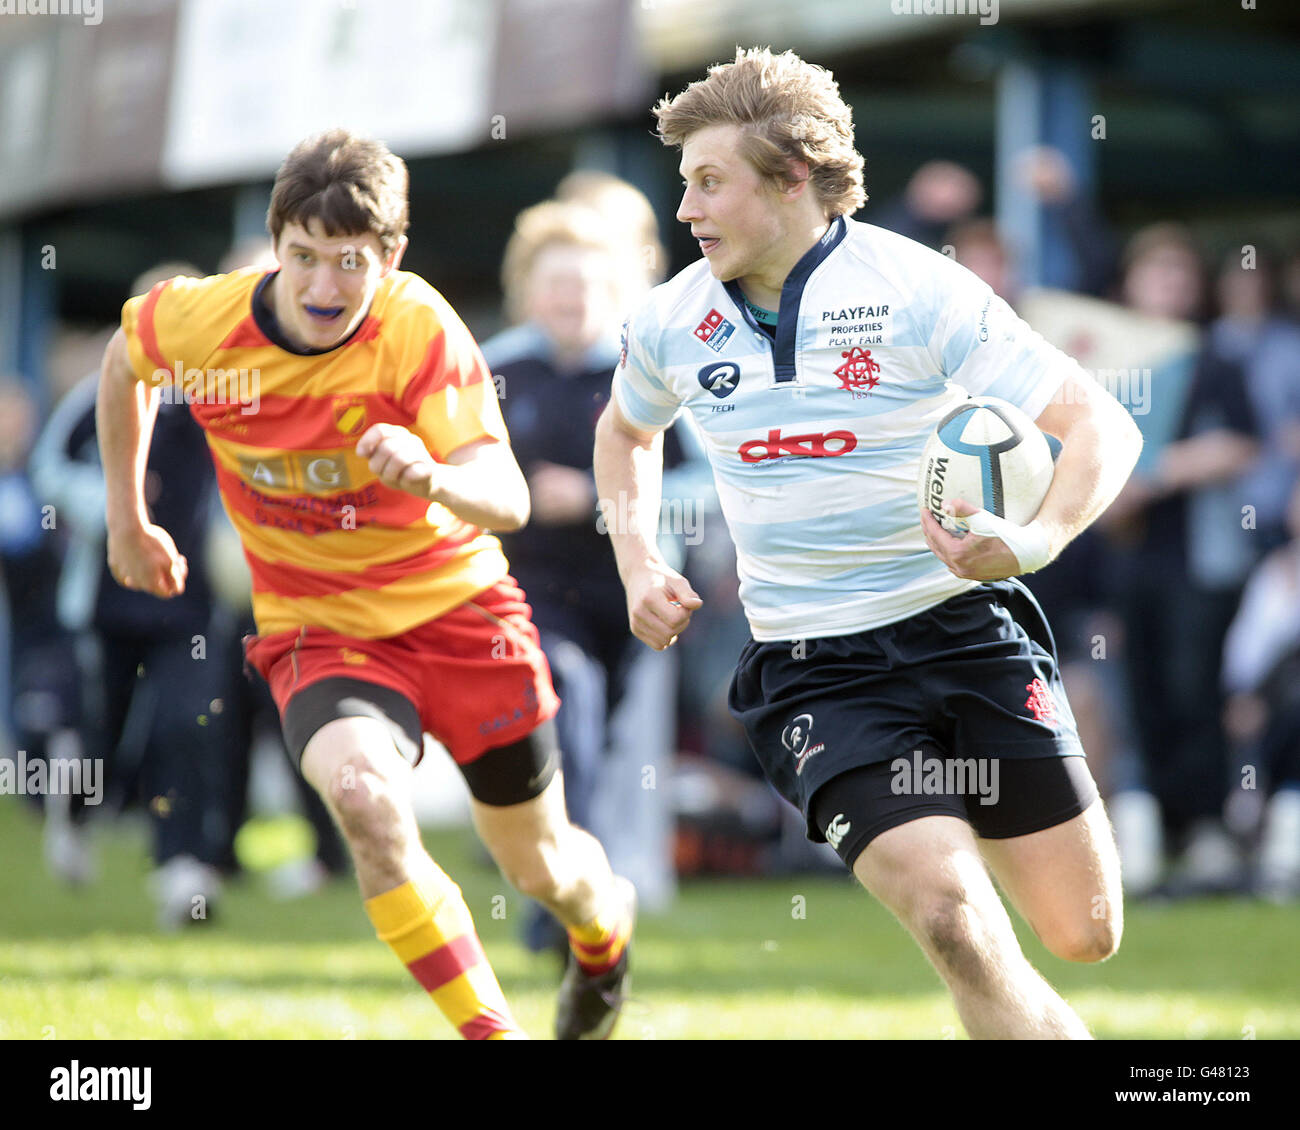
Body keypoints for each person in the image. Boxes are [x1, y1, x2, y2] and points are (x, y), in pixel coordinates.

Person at [594, 48, 1143, 1039]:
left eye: (709, 181)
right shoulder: (671, 321)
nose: (687, 210)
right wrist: (640, 559)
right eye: (685, 185)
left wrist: (1034, 538)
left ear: (791, 178)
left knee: (1084, 931)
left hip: (964, 630)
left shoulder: (915, 286)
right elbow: (625, 430)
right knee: (952, 918)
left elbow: (1099, 421)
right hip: (814, 667)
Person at [96, 129, 634, 1040]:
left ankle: (603, 933)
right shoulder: (205, 321)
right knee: (363, 801)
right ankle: (489, 1030)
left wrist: (430, 475)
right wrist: (125, 516)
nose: (321, 288)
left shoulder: (419, 329)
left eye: (349, 262)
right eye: (302, 256)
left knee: (541, 865)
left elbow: (504, 497)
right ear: (277, 246)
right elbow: (125, 361)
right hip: (320, 629)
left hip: (461, 614)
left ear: (391, 256)